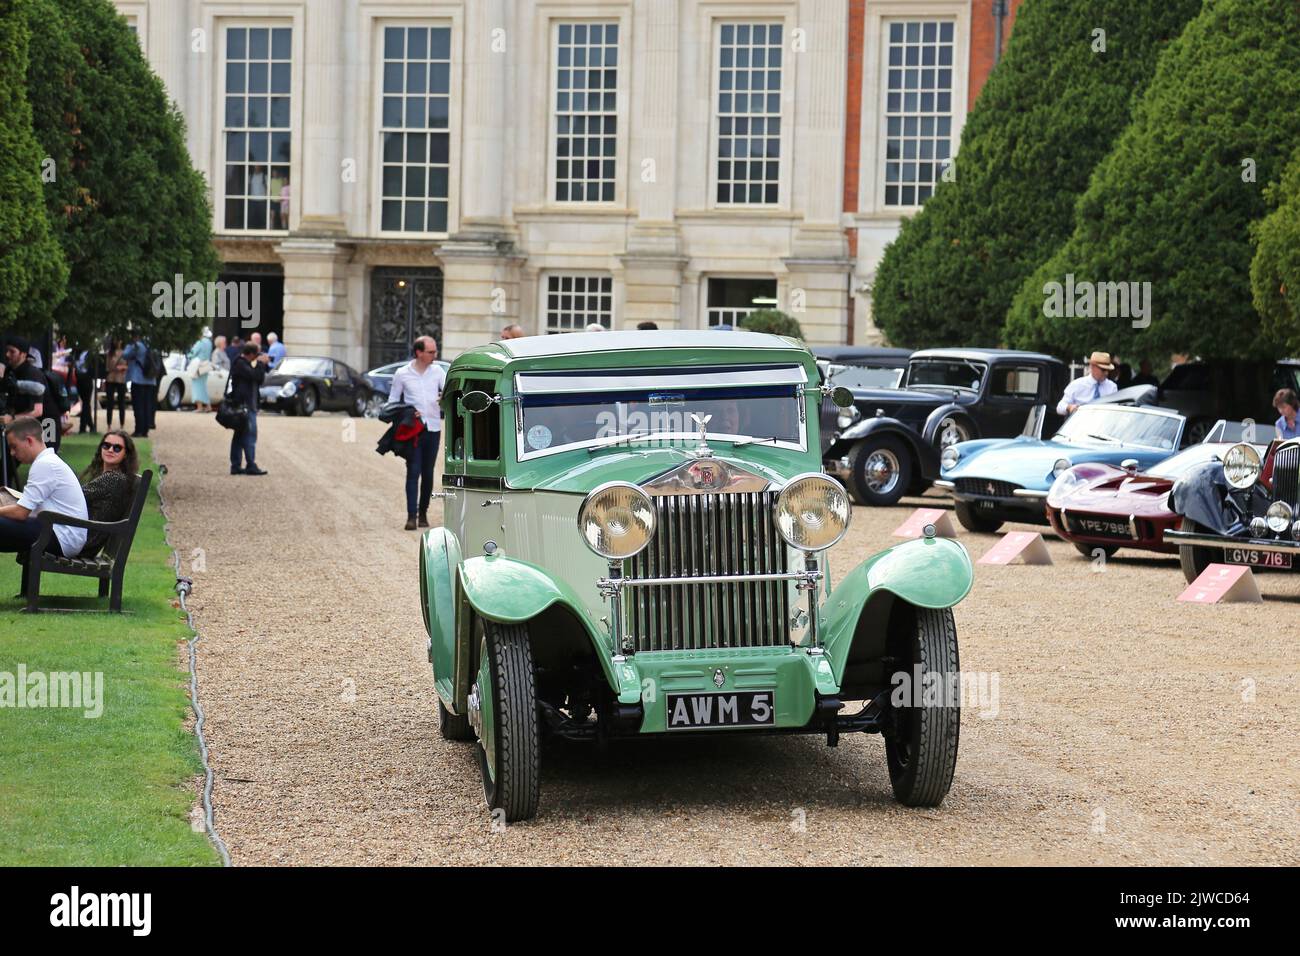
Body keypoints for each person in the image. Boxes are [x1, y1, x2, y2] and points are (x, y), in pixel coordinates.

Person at [0, 417, 87, 559]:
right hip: (62, 534)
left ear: (29, 441)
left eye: (14, 446)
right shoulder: (47, 462)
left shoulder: (45, 464)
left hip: (61, 537)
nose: (12, 453)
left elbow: (20, 513)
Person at [388, 335, 445, 530]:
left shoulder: (438, 371)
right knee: (413, 471)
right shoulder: (402, 373)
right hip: (414, 430)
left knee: (428, 473)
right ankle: (411, 516)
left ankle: (423, 513)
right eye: (431, 352)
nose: (435, 355)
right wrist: (408, 411)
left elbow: (449, 394)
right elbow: (392, 403)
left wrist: (442, 398)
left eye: (435, 351)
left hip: (434, 428)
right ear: (419, 352)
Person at [80, 429, 138, 556]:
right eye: (106, 445)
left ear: (126, 454)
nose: (110, 450)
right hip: (82, 538)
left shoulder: (113, 479)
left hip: (82, 543)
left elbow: (75, 497)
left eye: (117, 448)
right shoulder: (116, 478)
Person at [1, 335, 59, 456]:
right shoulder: (10, 372)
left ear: (23, 354)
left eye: (12, 351)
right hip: (25, 422)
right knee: (9, 457)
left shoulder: (33, 374)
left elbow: (38, 411)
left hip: (47, 422)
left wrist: (11, 418)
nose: (7, 354)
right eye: (7, 351)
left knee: (47, 459)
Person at [229, 343, 270, 476]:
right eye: (256, 355)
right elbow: (255, 376)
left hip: (248, 404)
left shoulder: (244, 364)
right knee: (250, 435)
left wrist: (260, 365)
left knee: (240, 435)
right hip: (244, 406)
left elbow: (260, 380)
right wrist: (260, 364)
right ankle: (250, 464)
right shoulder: (240, 363)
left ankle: (236, 465)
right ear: (251, 354)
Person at [1056, 351, 1118, 416]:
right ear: (1092, 367)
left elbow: (1115, 411)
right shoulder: (1077, 384)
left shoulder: (1112, 387)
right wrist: (1069, 407)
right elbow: (1060, 407)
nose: (1106, 373)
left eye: (1108, 370)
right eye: (1103, 370)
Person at [122, 333, 157, 438]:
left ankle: (139, 430)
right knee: (147, 405)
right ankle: (145, 430)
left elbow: (125, 355)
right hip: (150, 380)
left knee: (138, 406)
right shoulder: (150, 345)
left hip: (138, 379)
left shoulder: (137, 346)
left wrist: (129, 345)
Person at [187, 329, 215, 413]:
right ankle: (208, 406)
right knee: (203, 386)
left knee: (197, 386)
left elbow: (193, 352)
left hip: (198, 366)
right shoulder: (209, 343)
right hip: (206, 365)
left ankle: (199, 407)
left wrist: (188, 356)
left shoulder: (200, 342)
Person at [103, 339, 128, 429]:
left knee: (121, 402)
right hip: (111, 378)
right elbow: (107, 367)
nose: (118, 342)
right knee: (110, 403)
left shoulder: (125, 353)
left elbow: (128, 366)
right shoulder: (110, 353)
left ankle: (122, 424)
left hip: (121, 379)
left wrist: (122, 367)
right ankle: (109, 424)